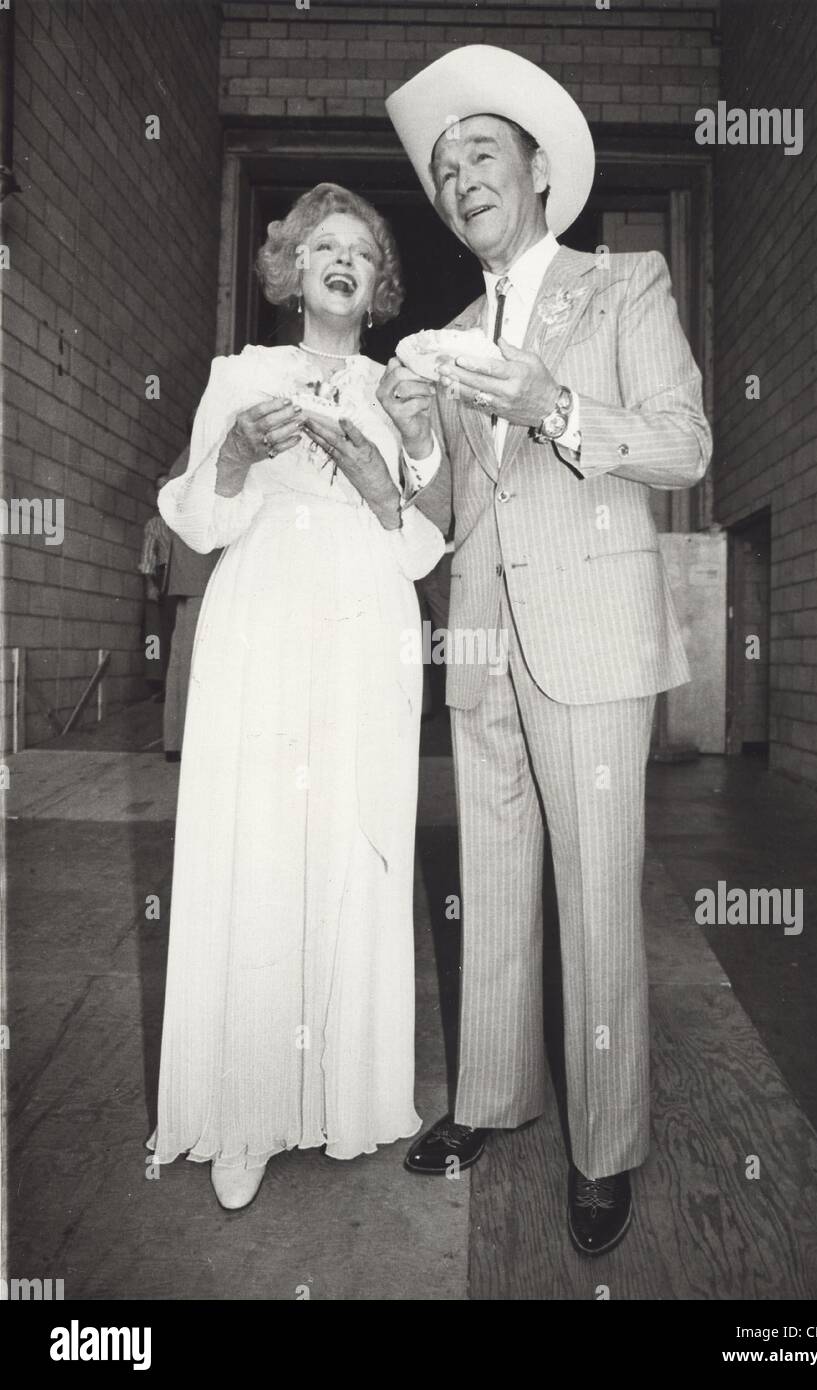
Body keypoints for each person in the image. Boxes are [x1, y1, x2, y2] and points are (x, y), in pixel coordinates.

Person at [379, 47, 712, 1256]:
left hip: (595, 636)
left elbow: (683, 446)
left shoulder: (624, 286)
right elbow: (443, 517)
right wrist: (417, 443)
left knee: (596, 900)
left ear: (536, 170)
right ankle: (489, 1096)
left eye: (480, 152)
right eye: (442, 164)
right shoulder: (446, 334)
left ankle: (603, 1146)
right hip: (483, 641)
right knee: (496, 884)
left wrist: (553, 408)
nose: (458, 175)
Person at [148, 183, 445, 1210]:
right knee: (261, 846)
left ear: (377, 287)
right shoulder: (242, 374)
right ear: (290, 269)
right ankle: (246, 1116)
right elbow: (197, 517)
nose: (340, 258)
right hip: (263, 621)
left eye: (360, 251)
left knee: (353, 841)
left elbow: (417, 544)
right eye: (322, 243)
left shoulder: (402, 388)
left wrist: (378, 470)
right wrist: (233, 451)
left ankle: (349, 1095)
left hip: (367, 628)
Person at [159, 443, 221, 761]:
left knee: (182, 658)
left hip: (189, 574)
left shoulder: (187, 456)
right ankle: (186, 741)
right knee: (196, 660)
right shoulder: (203, 451)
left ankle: (176, 741)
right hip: (202, 572)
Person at [137, 472, 172, 698]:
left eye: (167, 487)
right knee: (156, 634)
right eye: (159, 488)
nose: (163, 492)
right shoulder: (154, 524)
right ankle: (159, 684)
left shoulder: (185, 518)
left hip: (184, 578)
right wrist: (150, 585)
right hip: (162, 578)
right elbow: (148, 556)